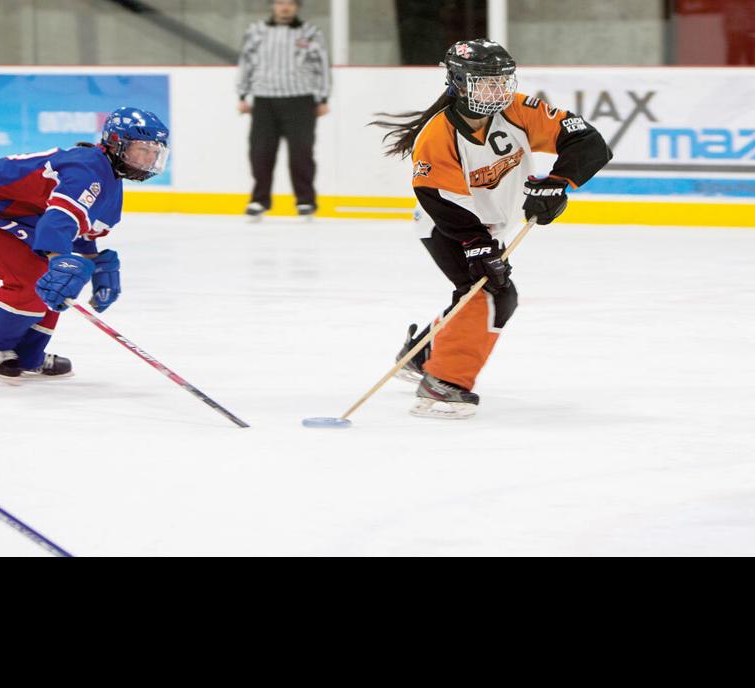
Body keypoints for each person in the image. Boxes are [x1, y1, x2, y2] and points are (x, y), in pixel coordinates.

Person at [371, 38, 612, 419]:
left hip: (491, 223)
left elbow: (587, 141)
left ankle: (423, 354)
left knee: (478, 295)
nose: (497, 91)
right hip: (448, 224)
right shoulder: (437, 135)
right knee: (491, 296)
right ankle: (442, 385)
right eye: (485, 82)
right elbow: (437, 198)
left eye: (502, 81)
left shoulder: (519, 110)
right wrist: (476, 245)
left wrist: (557, 182)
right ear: (458, 83)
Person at [0, 107, 169, 384]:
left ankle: (27, 354)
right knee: (36, 273)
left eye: (155, 152)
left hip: (14, 215)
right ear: (116, 142)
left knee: (61, 274)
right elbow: (59, 219)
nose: (150, 158)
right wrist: (61, 258)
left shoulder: (111, 183)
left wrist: (97, 262)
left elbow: (79, 229)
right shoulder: (87, 169)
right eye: (143, 149)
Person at [237, 0, 331, 221]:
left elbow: (322, 66)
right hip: (264, 100)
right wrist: (242, 94)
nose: (285, 7)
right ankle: (259, 200)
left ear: (297, 6)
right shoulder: (256, 31)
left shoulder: (310, 33)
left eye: (290, 3)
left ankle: (305, 201)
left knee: (301, 153)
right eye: (280, 2)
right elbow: (246, 63)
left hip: (301, 100)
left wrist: (323, 97)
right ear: (273, 5)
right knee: (260, 152)